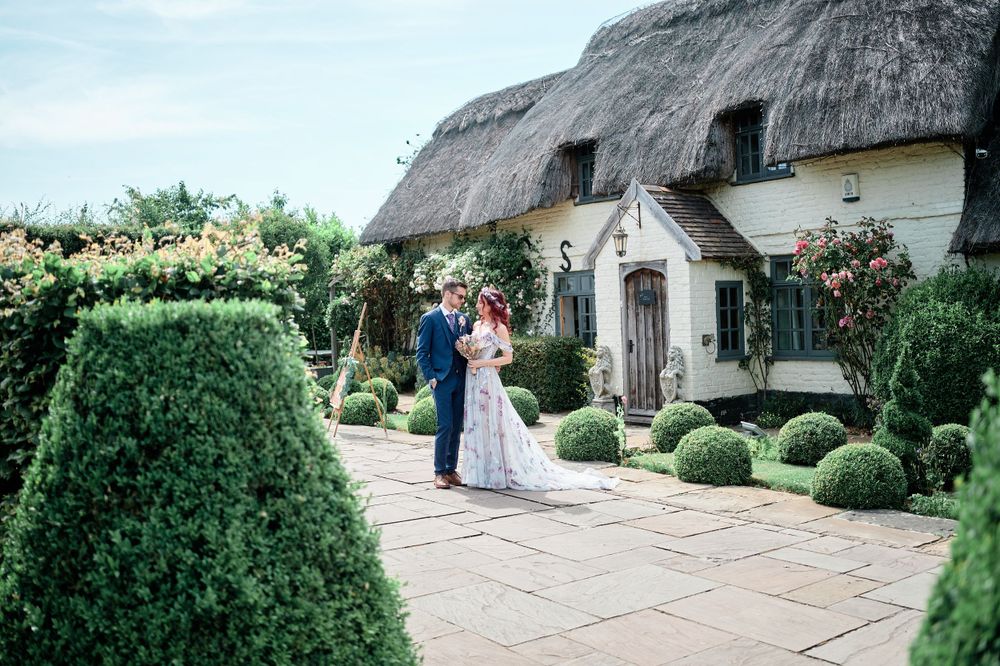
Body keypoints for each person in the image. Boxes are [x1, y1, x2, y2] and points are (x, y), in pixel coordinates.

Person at [462, 286, 618, 491]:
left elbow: (508, 357)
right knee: (477, 423)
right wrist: (470, 356)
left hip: (487, 380)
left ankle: (496, 474)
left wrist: (482, 364)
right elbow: (474, 350)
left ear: (490, 305)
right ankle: (480, 473)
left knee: (494, 423)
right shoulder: (477, 324)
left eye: (480, 302)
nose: (476, 306)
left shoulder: (498, 328)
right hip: (473, 380)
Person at [415, 277, 472, 489]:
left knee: (457, 426)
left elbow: (470, 346)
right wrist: (432, 377)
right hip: (441, 380)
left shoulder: (464, 319)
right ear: (448, 294)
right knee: (445, 425)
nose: (462, 301)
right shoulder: (430, 319)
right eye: (460, 296)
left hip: (460, 379)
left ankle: (450, 470)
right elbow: (422, 353)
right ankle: (438, 472)